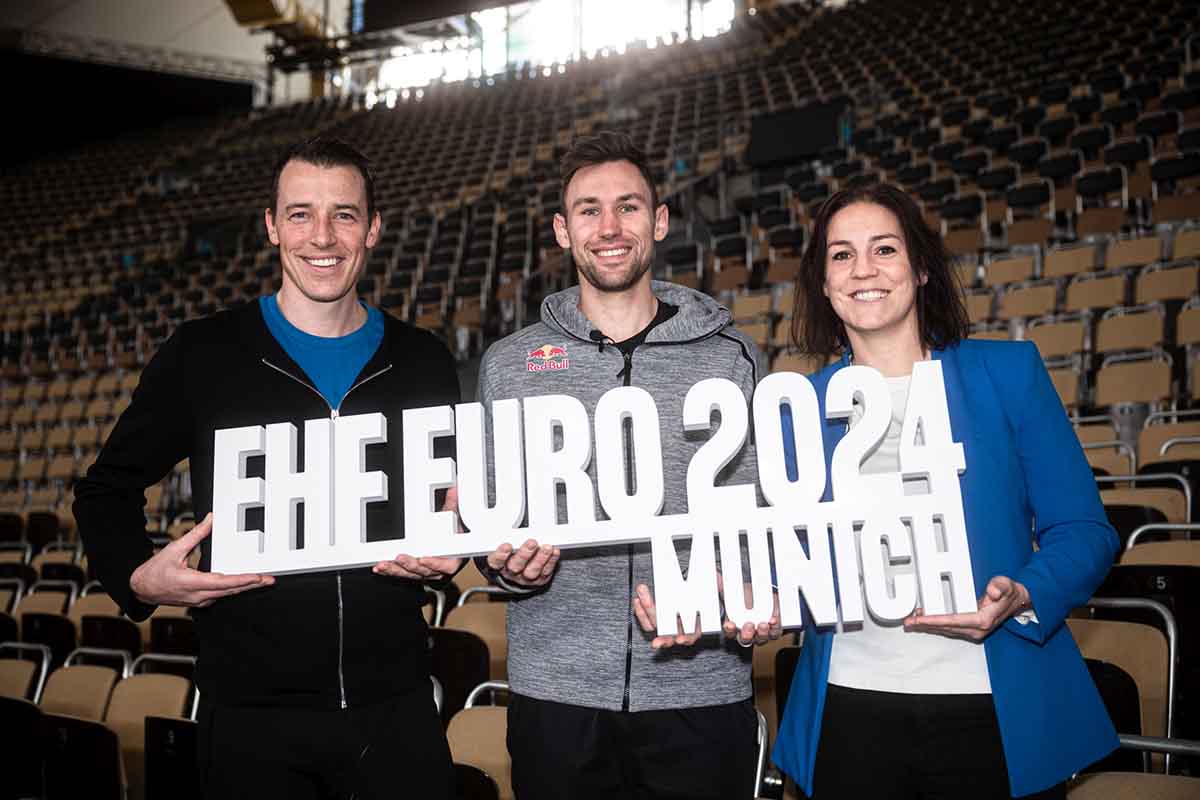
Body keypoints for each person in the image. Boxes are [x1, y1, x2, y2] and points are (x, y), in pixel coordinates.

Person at [73, 136, 460, 800]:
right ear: (272, 226)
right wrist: (139, 576)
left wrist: (458, 538)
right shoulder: (204, 353)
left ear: (372, 229)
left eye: (343, 214)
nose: (322, 236)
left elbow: (456, 501)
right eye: (301, 213)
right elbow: (105, 488)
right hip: (250, 719)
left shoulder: (423, 358)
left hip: (394, 707)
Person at [771, 183, 1119, 799]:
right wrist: (758, 599)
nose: (864, 270)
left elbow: (1084, 531)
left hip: (992, 707)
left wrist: (1023, 593)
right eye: (842, 255)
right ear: (823, 283)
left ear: (921, 268)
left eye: (884, 249)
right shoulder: (798, 410)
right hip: (850, 711)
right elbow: (794, 565)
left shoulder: (1008, 374)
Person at [473, 130, 779, 800]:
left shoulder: (731, 357)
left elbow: (764, 511)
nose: (609, 227)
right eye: (588, 210)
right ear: (561, 230)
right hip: (556, 693)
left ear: (660, 220)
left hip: (700, 688)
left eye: (628, 207)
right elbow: (491, 518)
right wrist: (505, 566)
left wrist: (749, 590)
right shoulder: (511, 364)